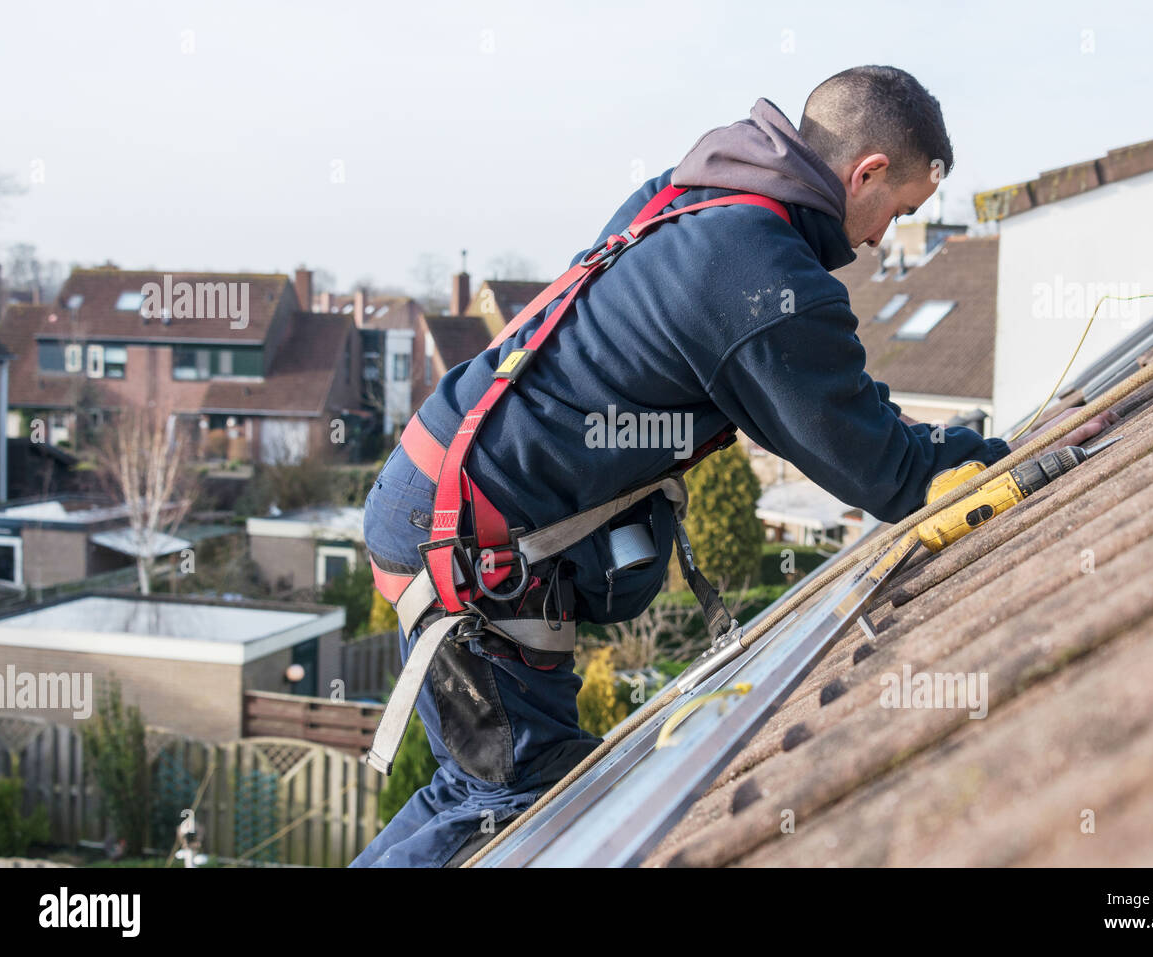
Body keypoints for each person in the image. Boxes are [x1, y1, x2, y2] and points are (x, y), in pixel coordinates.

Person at [349, 65, 1114, 867]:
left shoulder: (695, 196)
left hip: (437, 488)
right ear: (868, 172)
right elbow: (888, 473)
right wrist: (1019, 454)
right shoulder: (762, 275)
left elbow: (844, 408)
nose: (883, 238)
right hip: (466, 536)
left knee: (486, 783)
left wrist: (1004, 441)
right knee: (523, 800)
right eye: (900, 210)